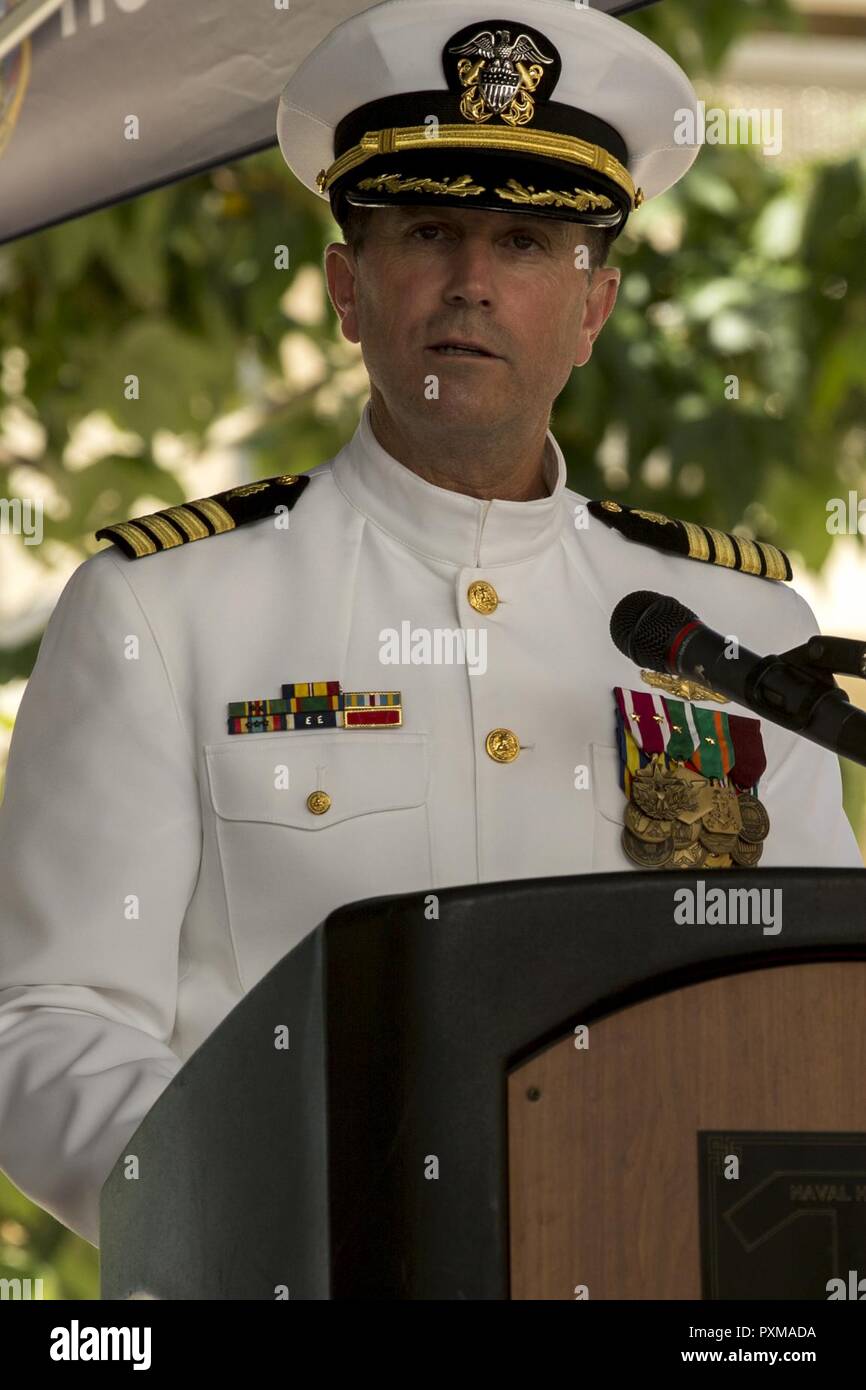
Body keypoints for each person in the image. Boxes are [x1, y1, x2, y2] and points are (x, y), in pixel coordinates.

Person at [0, 0, 861, 1253]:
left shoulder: (736, 630)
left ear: (593, 308)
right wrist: (269, 1206)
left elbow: (820, 1002)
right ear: (350, 288)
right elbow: (49, 1015)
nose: (470, 282)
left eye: (523, 241)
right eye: (429, 232)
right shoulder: (162, 611)